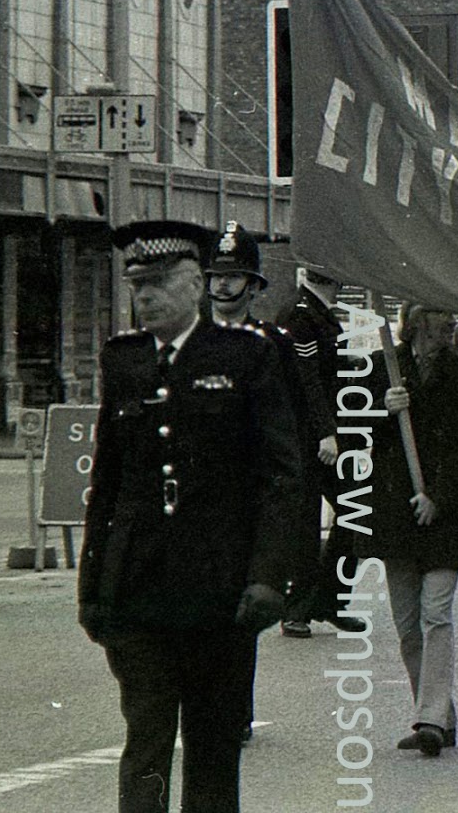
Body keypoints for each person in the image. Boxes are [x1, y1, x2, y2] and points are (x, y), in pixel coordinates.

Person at [78, 220, 300, 813]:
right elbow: (108, 484)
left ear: (196, 286)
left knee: (212, 747)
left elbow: (281, 476)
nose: (143, 298)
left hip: (220, 593)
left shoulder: (246, 357)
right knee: (145, 741)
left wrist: (266, 576)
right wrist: (92, 588)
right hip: (139, 591)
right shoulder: (123, 361)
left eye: (157, 285)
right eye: (136, 287)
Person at [362, 306, 458, 756]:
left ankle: (430, 719)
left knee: (436, 615)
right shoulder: (383, 369)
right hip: (397, 515)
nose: (449, 322)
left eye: (450, 315)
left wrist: (439, 496)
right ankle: (441, 714)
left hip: (447, 514)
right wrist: (385, 410)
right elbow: (355, 437)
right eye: (438, 314)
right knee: (408, 627)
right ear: (417, 319)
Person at [204, 222, 319, 745]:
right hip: (195, 499)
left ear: (253, 286)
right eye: (217, 276)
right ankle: (205, 704)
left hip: (248, 501)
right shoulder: (189, 343)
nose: (224, 286)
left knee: (239, 612)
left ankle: (235, 709)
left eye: (235, 277)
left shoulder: (274, 345)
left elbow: (292, 425)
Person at [276, 267, 368, 639]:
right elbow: (306, 379)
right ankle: (297, 608)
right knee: (305, 522)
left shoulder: (319, 312)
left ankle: (329, 600)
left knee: (357, 508)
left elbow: (331, 373)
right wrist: (326, 434)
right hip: (306, 437)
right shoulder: (300, 314)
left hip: (328, 433)